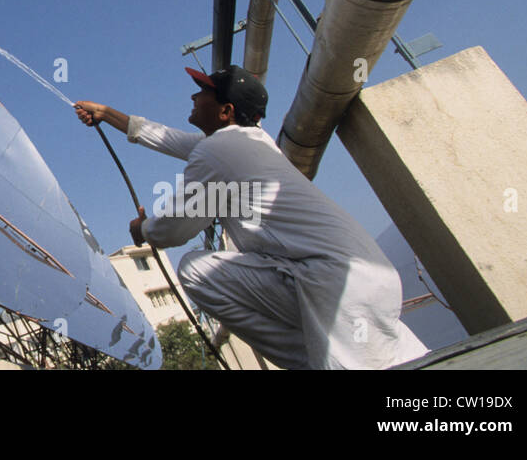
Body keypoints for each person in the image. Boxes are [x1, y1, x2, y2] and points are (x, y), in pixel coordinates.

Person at [74, 66, 427, 370]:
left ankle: (313, 358)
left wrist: (144, 230)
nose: (194, 97)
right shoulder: (248, 144)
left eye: (204, 93)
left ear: (225, 111)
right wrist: (107, 113)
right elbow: (166, 138)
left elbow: (177, 228)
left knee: (196, 270)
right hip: (368, 278)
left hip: (332, 286)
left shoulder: (219, 151)